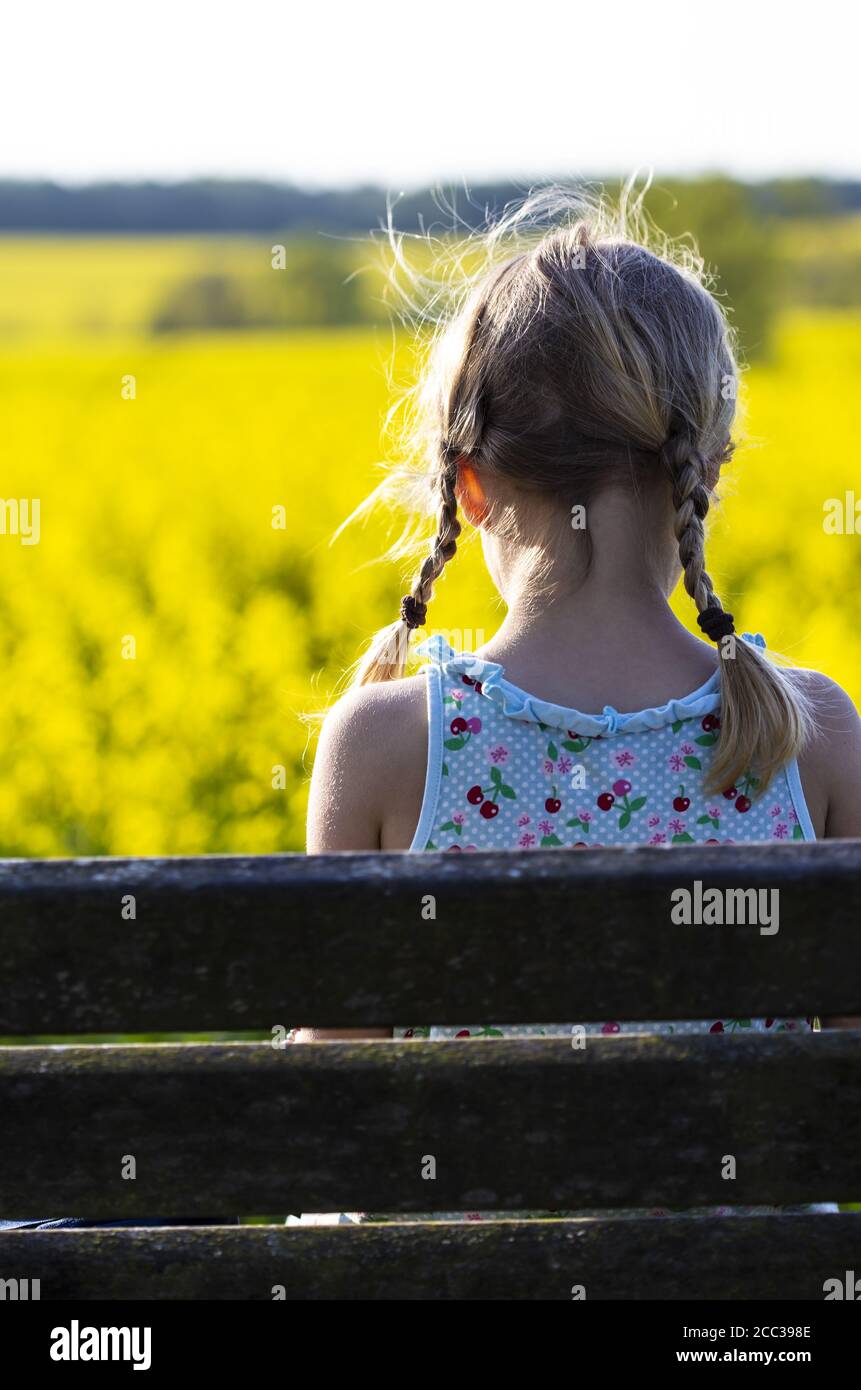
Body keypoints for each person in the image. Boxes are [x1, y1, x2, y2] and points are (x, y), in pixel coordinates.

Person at [296, 189, 861, 1224]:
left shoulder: (383, 746)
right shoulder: (812, 737)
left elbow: (334, 1132)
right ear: (708, 473)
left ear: (467, 487)